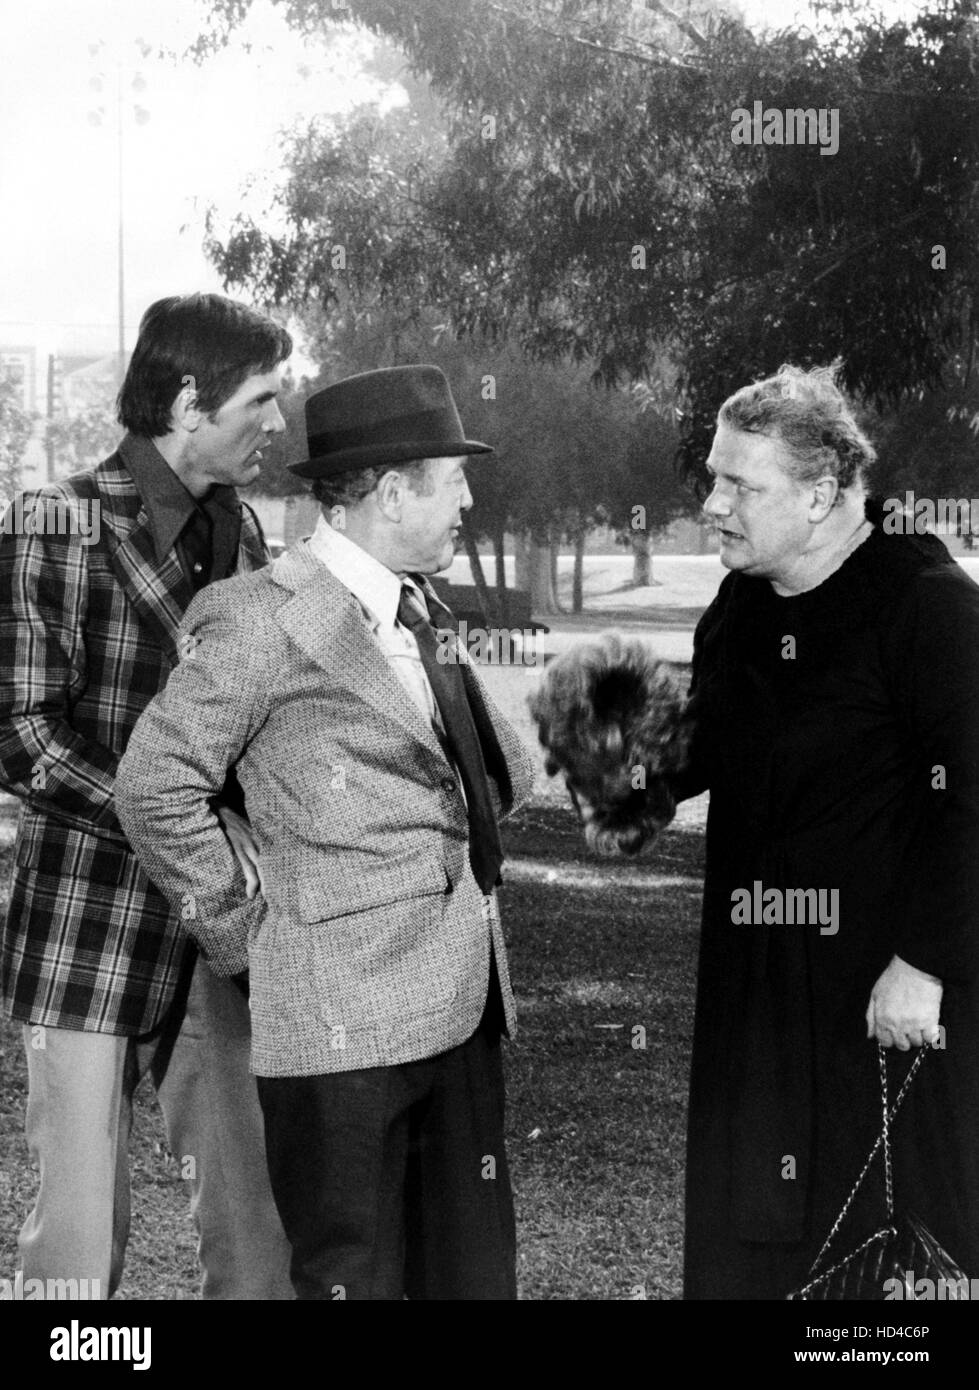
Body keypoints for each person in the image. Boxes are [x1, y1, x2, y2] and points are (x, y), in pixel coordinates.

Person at [114, 363, 536, 1301]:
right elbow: (152, 788)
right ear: (391, 491)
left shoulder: (419, 606)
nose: (469, 497)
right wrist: (244, 939)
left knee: (472, 1279)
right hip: (340, 1030)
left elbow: (485, 781)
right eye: (452, 477)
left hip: (462, 1005)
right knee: (357, 1281)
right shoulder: (262, 617)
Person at [0, 292, 294, 1300]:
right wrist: (184, 824)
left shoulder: (247, 534)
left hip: (223, 937)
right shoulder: (54, 520)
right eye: (260, 398)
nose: (278, 422)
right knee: (79, 1253)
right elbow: (27, 739)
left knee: (260, 1241)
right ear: (183, 398)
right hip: (89, 925)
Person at [671, 363, 979, 1298]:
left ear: (820, 494)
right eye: (713, 477)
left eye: (739, 485)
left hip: (888, 1010)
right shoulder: (742, 603)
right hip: (758, 1001)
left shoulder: (922, 605)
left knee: (882, 1276)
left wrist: (924, 963)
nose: (711, 504)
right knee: (751, 1250)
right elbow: (704, 746)